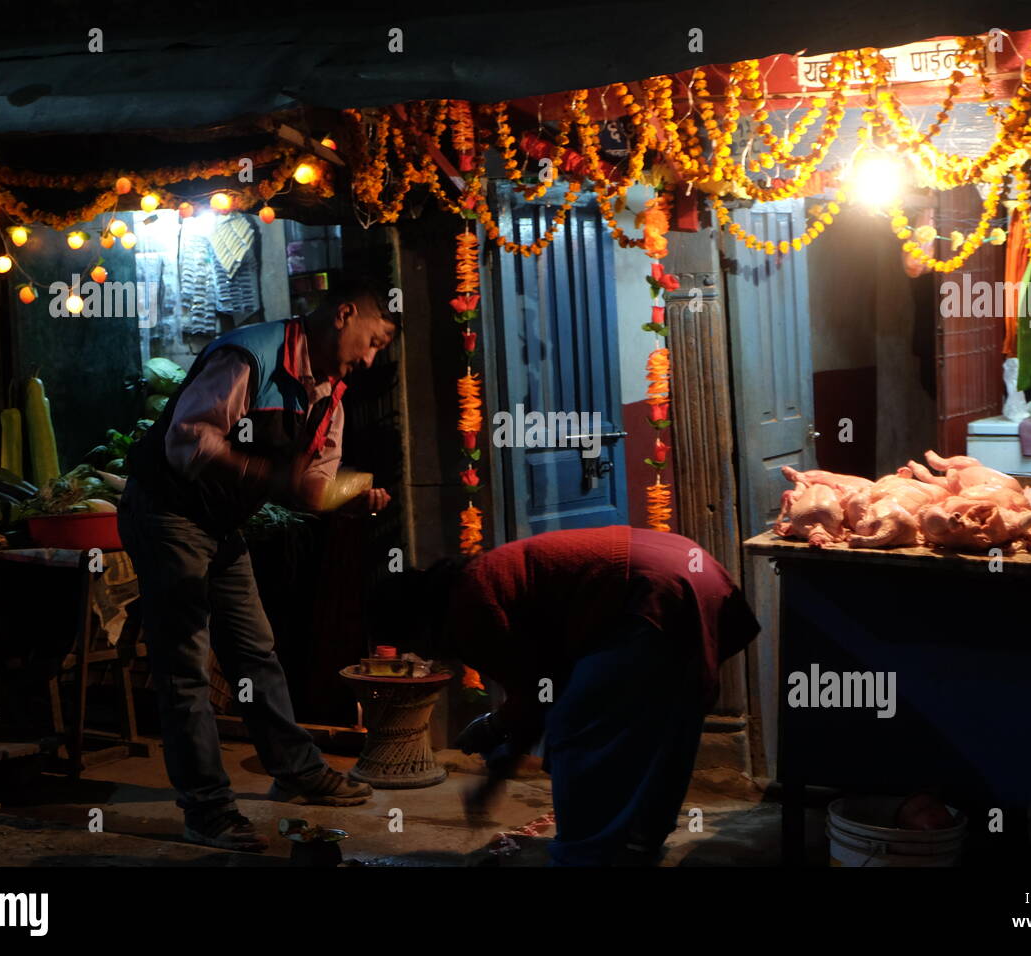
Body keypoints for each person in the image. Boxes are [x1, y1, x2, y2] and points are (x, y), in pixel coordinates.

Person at [118, 279, 396, 852]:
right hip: (167, 512)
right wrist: (270, 478)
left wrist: (351, 495)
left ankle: (295, 768)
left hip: (220, 525)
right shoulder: (246, 355)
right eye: (373, 340)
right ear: (345, 313)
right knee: (186, 665)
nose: (370, 359)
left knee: (254, 650)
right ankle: (208, 808)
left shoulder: (328, 393)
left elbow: (314, 484)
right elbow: (188, 442)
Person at [386, 524, 760, 866]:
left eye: (413, 644)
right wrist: (498, 732)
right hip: (688, 568)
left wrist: (491, 766)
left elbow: (536, 698)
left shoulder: (468, 607)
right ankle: (641, 840)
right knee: (667, 716)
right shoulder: (476, 579)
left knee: (576, 728)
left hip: (649, 588)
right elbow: (547, 683)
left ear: (421, 621)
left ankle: (584, 856)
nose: (423, 654)